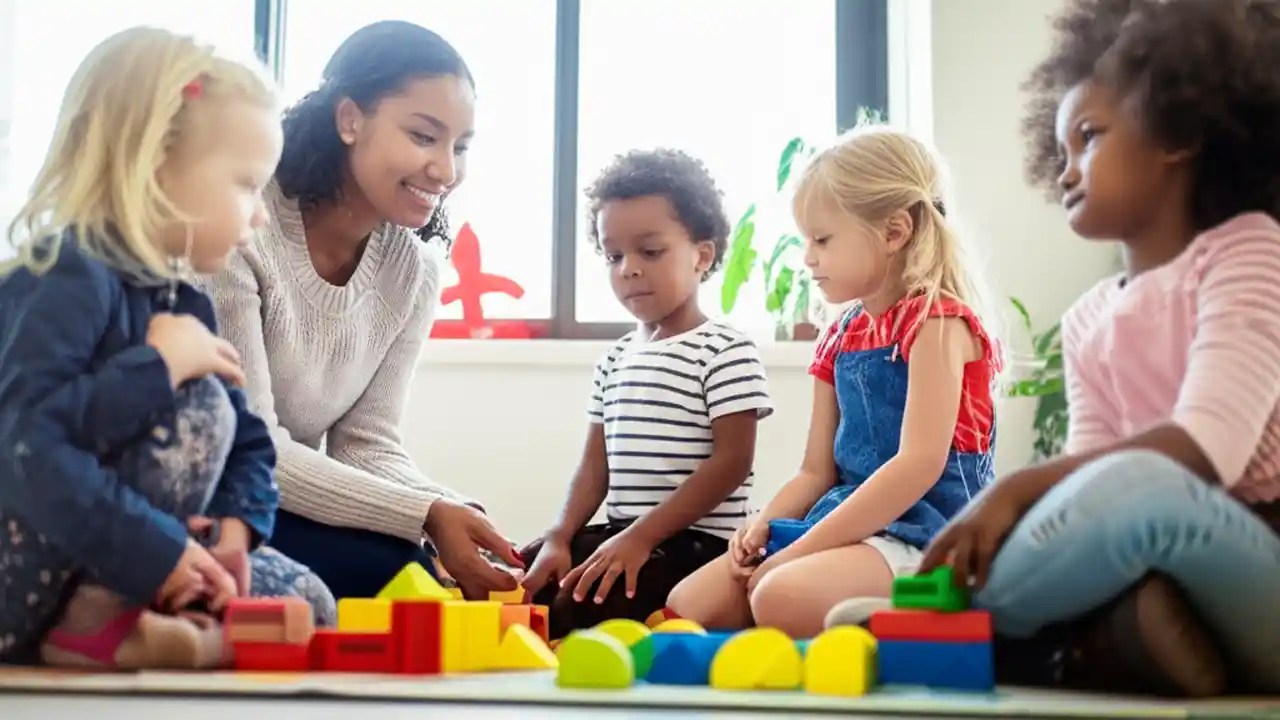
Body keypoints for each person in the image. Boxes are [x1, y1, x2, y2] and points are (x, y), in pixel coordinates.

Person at [917, 0, 1280, 698]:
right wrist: (1031, 505)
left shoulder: (1249, 250)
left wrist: (1017, 490)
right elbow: (1080, 497)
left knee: (1137, 486)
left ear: (1176, 134)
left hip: (1259, 568)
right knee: (1097, 506)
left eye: (1088, 136)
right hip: (1170, 576)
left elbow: (1208, 450)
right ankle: (1103, 643)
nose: (1066, 170)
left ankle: (949, 627)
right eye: (1059, 151)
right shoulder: (1088, 321)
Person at [0, 27, 335, 670]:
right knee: (197, 405)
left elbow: (250, 443)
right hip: (35, 568)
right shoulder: (63, 275)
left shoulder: (184, 302)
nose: (259, 215)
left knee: (311, 602)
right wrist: (158, 369)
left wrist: (236, 529)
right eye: (245, 185)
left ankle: (144, 625)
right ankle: (97, 619)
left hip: (128, 552)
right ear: (155, 163)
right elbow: (25, 445)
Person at [198, 20, 521, 601]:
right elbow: (253, 444)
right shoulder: (239, 228)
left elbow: (366, 444)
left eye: (461, 146)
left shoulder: (414, 270)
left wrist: (448, 510)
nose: (446, 170)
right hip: (213, 496)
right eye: (424, 136)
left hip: (280, 504)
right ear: (350, 120)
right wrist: (423, 511)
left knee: (414, 567)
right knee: (397, 568)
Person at [668, 126, 1000, 639]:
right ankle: (833, 623)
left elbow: (916, 467)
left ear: (893, 232)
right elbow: (814, 471)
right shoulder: (842, 334)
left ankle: (931, 614)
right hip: (849, 521)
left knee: (777, 594)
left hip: (927, 533)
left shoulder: (937, 323)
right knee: (690, 603)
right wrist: (761, 527)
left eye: (822, 239)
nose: (807, 257)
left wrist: (797, 554)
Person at [518, 149, 773, 640]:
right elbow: (594, 468)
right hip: (627, 534)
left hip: (697, 547)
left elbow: (732, 464)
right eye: (614, 255)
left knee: (579, 607)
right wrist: (560, 534)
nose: (628, 269)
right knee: (526, 572)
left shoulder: (725, 348)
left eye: (649, 252)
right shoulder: (615, 358)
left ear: (702, 255)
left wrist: (641, 537)